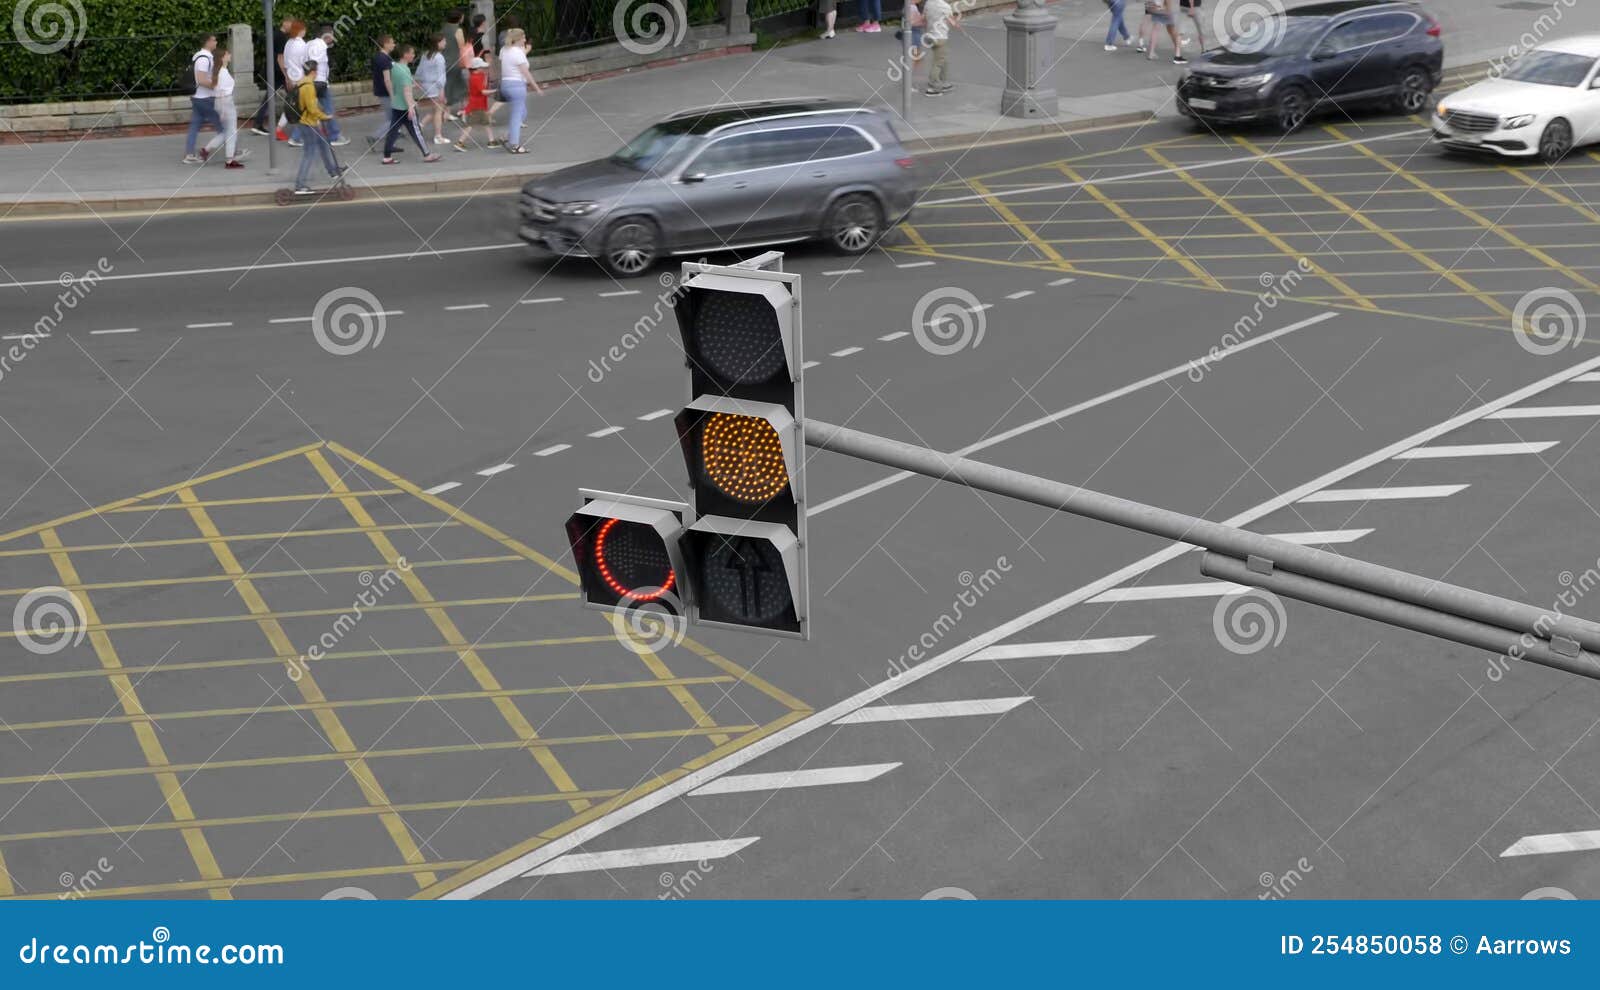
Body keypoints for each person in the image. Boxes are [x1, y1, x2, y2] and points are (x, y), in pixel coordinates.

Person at [290, 60, 345, 194]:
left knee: (323, 144)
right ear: (313, 72)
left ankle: (333, 171)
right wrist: (325, 117)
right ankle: (300, 185)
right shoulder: (309, 86)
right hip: (308, 124)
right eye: (317, 71)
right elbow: (312, 109)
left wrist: (319, 118)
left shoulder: (301, 82)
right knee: (309, 153)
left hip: (309, 122)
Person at [382, 44, 442, 164]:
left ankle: (387, 157)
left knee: (393, 131)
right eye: (412, 53)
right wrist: (411, 106)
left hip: (396, 105)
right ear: (405, 55)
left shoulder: (395, 67)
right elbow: (406, 91)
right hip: (405, 107)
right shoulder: (406, 70)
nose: (414, 55)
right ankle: (427, 154)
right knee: (416, 131)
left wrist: (411, 85)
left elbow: (396, 84)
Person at [201, 45, 248, 168]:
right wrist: (223, 111)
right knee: (232, 132)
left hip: (221, 103)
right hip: (226, 103)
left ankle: (206, 149)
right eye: (227, 54)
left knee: (227, 131)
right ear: (222, 58)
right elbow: (222, 92)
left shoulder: (218, 72)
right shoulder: (223, 73)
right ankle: (229, 160)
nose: (230, 55)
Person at [498, 28, 542, 154]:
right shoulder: (518, 52)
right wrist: (536, 87)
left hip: (505, 84)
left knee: (522, 113)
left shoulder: (504, 50)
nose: (525, 40)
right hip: (517, 85)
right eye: (523, 37)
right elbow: (525, 72)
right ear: (517, 39)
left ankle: (507, 136)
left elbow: (505, 63)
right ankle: (514, 145)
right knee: (517, 116)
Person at [182, 34, 224, 164]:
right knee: (223, 127)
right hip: (205, 98)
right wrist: (215, 86)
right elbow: (201, 80)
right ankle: (233, 152)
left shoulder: (198, 56)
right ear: (207, 42)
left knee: (194, 126)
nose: (216, 42)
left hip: (198, 97)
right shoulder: (204, 59)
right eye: (214, 40)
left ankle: (189, 154)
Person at [250, 15, 291, 136]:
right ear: (285, 23)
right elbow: (280, 57)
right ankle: (300, 122)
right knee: (294, 96)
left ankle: (258, 124)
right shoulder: (281, 37)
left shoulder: (274, 34)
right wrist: (286, 74)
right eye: (291, 24)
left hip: (271, 69)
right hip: (278, 71)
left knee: (269, 97)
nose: (291, 27)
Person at [306, 24, 346, 144]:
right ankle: (334, 136)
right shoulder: (321, 46)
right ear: (327, 36)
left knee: (308, 109)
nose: (333, 38)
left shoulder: (309, 44)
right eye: (332, 35)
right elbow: (315, 62)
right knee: (329, 109)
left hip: (310, 81)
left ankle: (297, 137)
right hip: (320, 82)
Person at [454, 57, 499, 151]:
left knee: (486, 123)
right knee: (470, 125)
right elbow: (483, 91)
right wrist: (495, 91)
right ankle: (460, 142)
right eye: (482, 67)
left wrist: (486, 75)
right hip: (476, 106)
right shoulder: (475, 78)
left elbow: (484, 83)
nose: (484, 68)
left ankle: (491, 141)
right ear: (478, 68)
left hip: (479, 105)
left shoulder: (478, 75)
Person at [415, 34, 450, 145]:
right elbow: (441, 76)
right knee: (439, 110)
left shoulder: (425, 54)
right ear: (438, 43)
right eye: (443, 41)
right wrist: (442, 90)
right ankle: (438, 136)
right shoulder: (439, 57)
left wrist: (418, 82)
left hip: (427, 85)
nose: (445, 43)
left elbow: (419, 71)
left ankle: (420, 126)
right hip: (435, 87)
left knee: (435, 109)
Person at [922, 0, 959, 96]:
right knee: (938, 62)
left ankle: (944, 83)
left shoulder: (928, 3)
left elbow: (924, 19)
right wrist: (956, 18)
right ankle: (933, 87)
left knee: (944, 59)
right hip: (940, 37)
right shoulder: (945, 6)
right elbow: (953, 23)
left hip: (930, 36)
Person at [281, 21, 309, 146]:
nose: (305, 31)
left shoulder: (288, 43)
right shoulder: (302, 44)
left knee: (295, 105)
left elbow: (286, 63)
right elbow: (305, 63)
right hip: (301, 78)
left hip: (291, 77)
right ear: (300, 31)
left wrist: (288, 78)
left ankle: (281, 128)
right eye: (303, 29)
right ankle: (296, 137)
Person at [366, 35, 397, 149]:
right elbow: (387, 79)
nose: (394, 45)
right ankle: (375, 136)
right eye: (392, 42)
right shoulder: (384, 59)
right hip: (386, 92)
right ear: (385, 44)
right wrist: (392, 95)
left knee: (392, 118)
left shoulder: (379, 57)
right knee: (394, 119)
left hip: (381, 91)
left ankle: (391, 143)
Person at [443, 9, 470, 118]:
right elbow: (461, 46)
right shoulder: (458, 30)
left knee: (448, 86)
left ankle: (448, 112)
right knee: (462, 87)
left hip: (444, 61)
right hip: (455, 61)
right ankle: (463, 110)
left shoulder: (443, 28)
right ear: (459, 18)